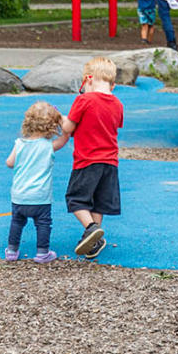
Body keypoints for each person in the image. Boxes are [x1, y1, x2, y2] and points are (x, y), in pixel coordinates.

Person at [61, 56, 124, 260]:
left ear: (88, 79)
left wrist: (58, 117)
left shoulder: (84, 100)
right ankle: (94, 241)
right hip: (110, 162)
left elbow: (68, 128)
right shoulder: (118, 104)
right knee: (98, 202)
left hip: (87, 160)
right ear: (112, 84)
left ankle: (91, 228)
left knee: (76, 198)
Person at [4, 101, 69, 264]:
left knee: (17, 222)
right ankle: (42, 252)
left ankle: (12, 250)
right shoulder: (48, 146)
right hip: (40, 197)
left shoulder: (19, 144)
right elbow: (63, 140)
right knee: (43, 224)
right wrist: (63, 123)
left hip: (19, 195)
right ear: (51, 126)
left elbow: (9, 163)